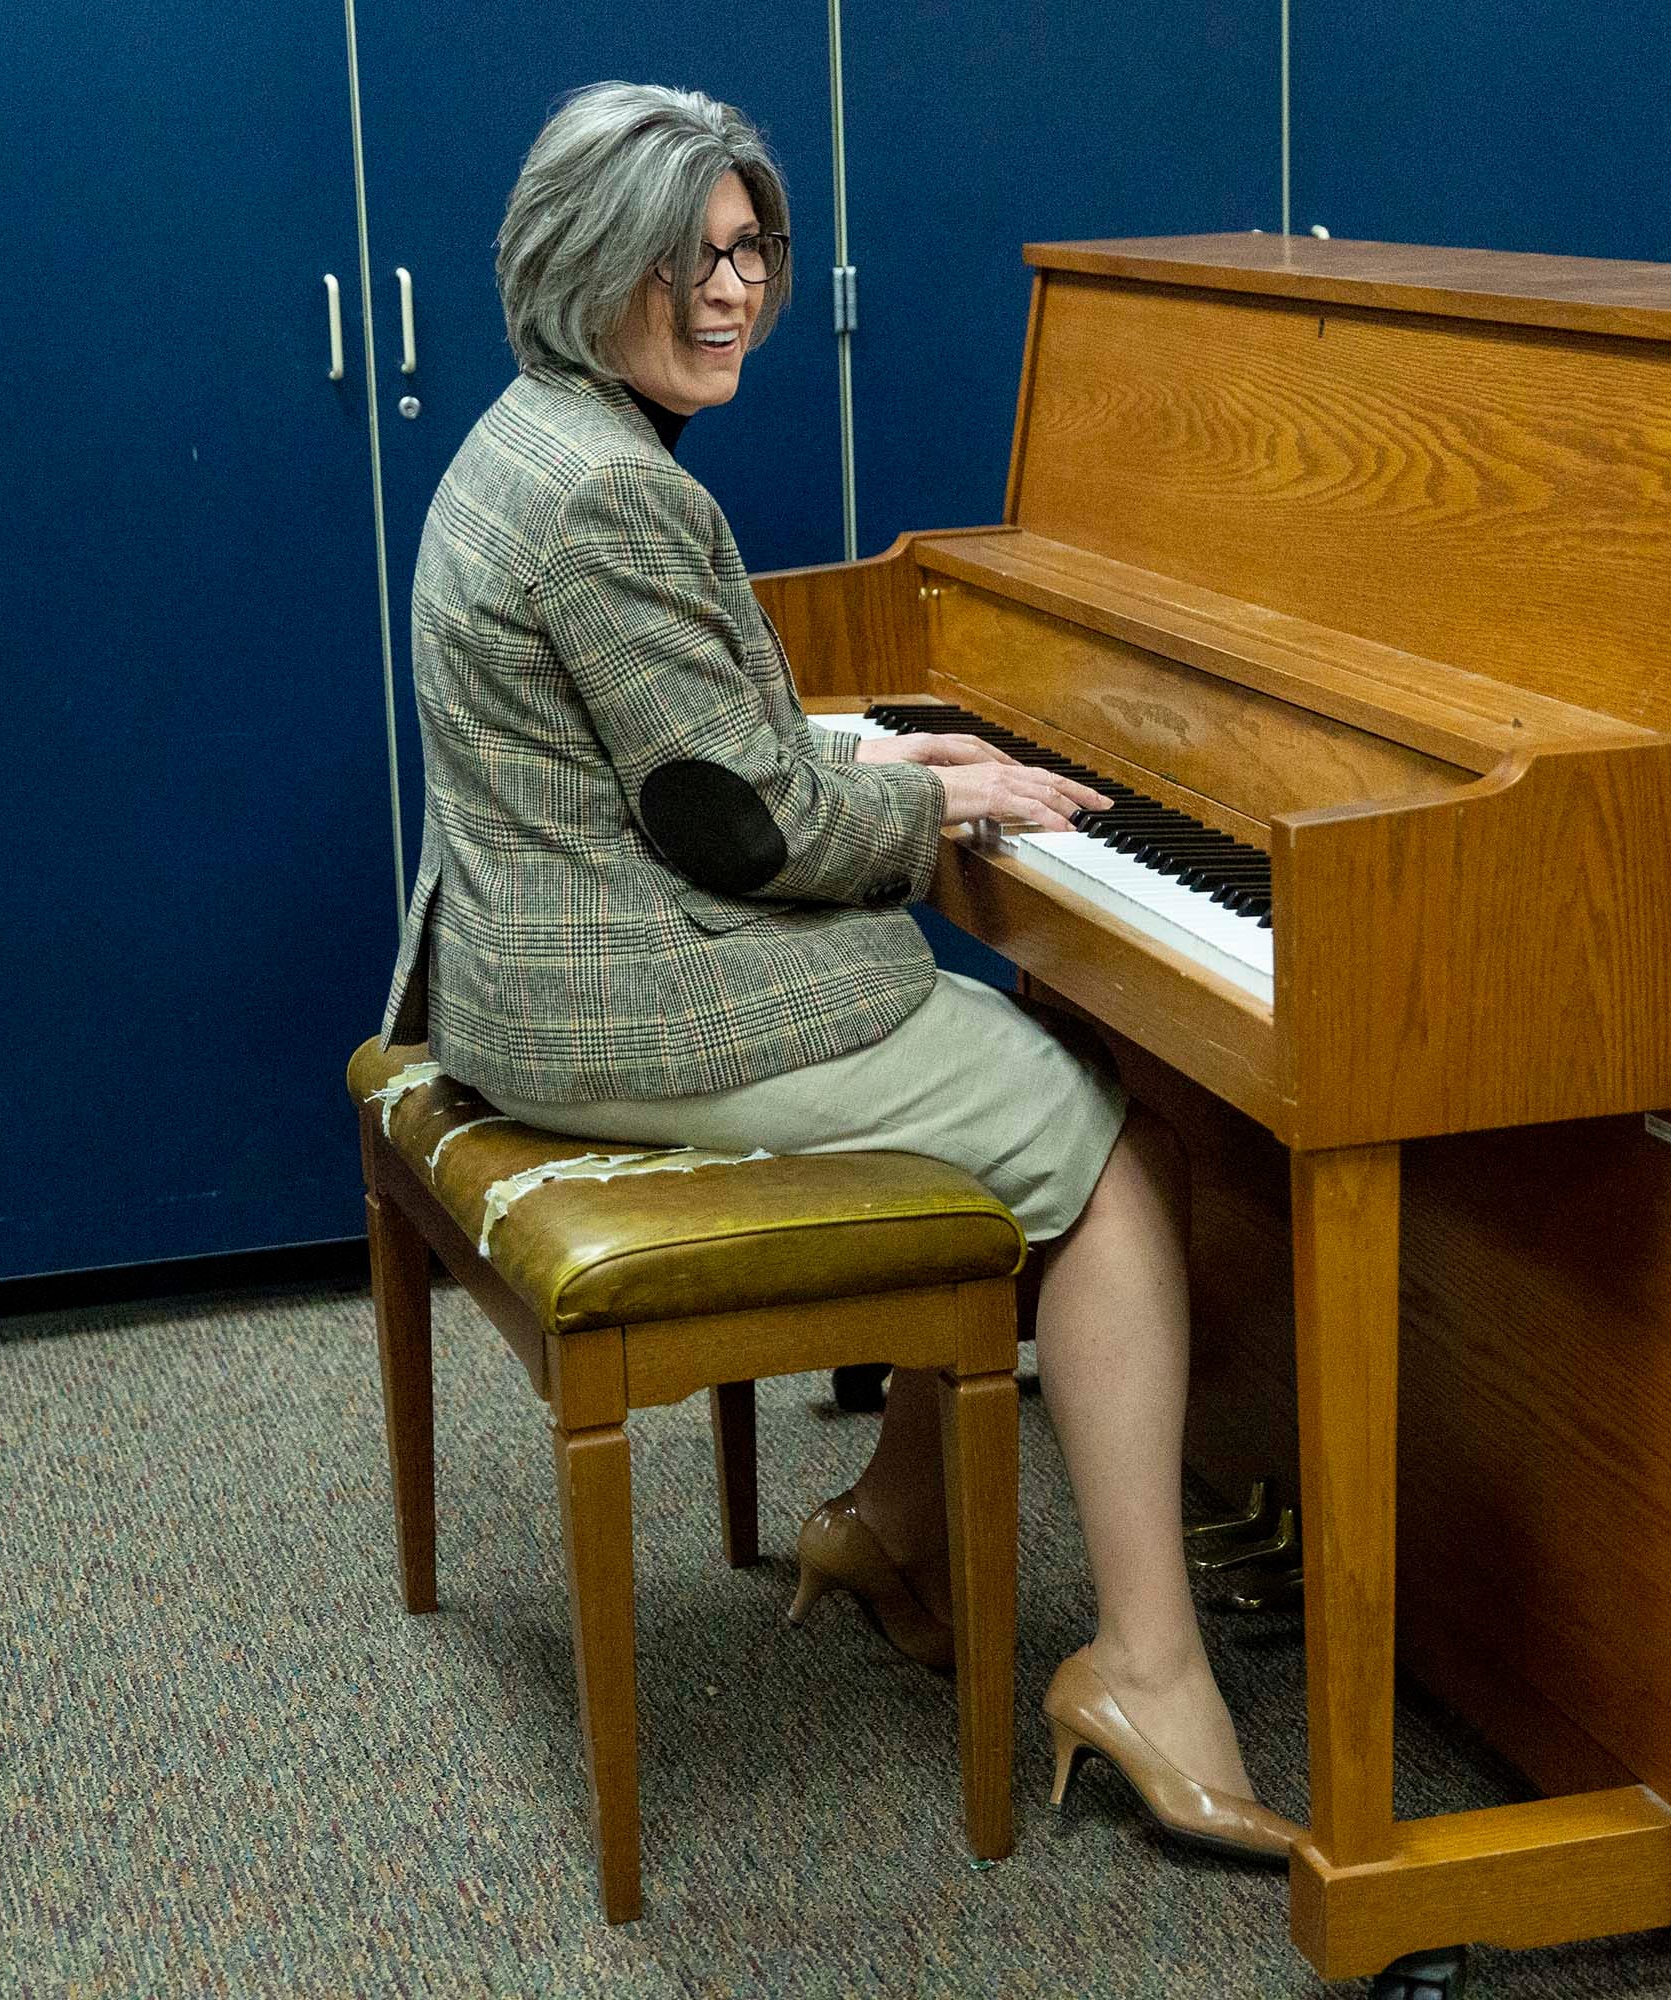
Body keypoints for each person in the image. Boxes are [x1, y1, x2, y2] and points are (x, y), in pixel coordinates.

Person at [376, 80, 1295, 1864]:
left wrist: (902, 760)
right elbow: (737, 829)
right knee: (1105, 1149)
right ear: (587, 265)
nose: (729, 292)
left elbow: (675, 748)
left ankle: (894, 1523)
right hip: (636, 1007)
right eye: (685, 258)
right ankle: (1150, 1666)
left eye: (745, 251)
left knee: (1044, 1077)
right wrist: (925, 810)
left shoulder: (531, 440)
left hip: (536, 967)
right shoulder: (611, 501)